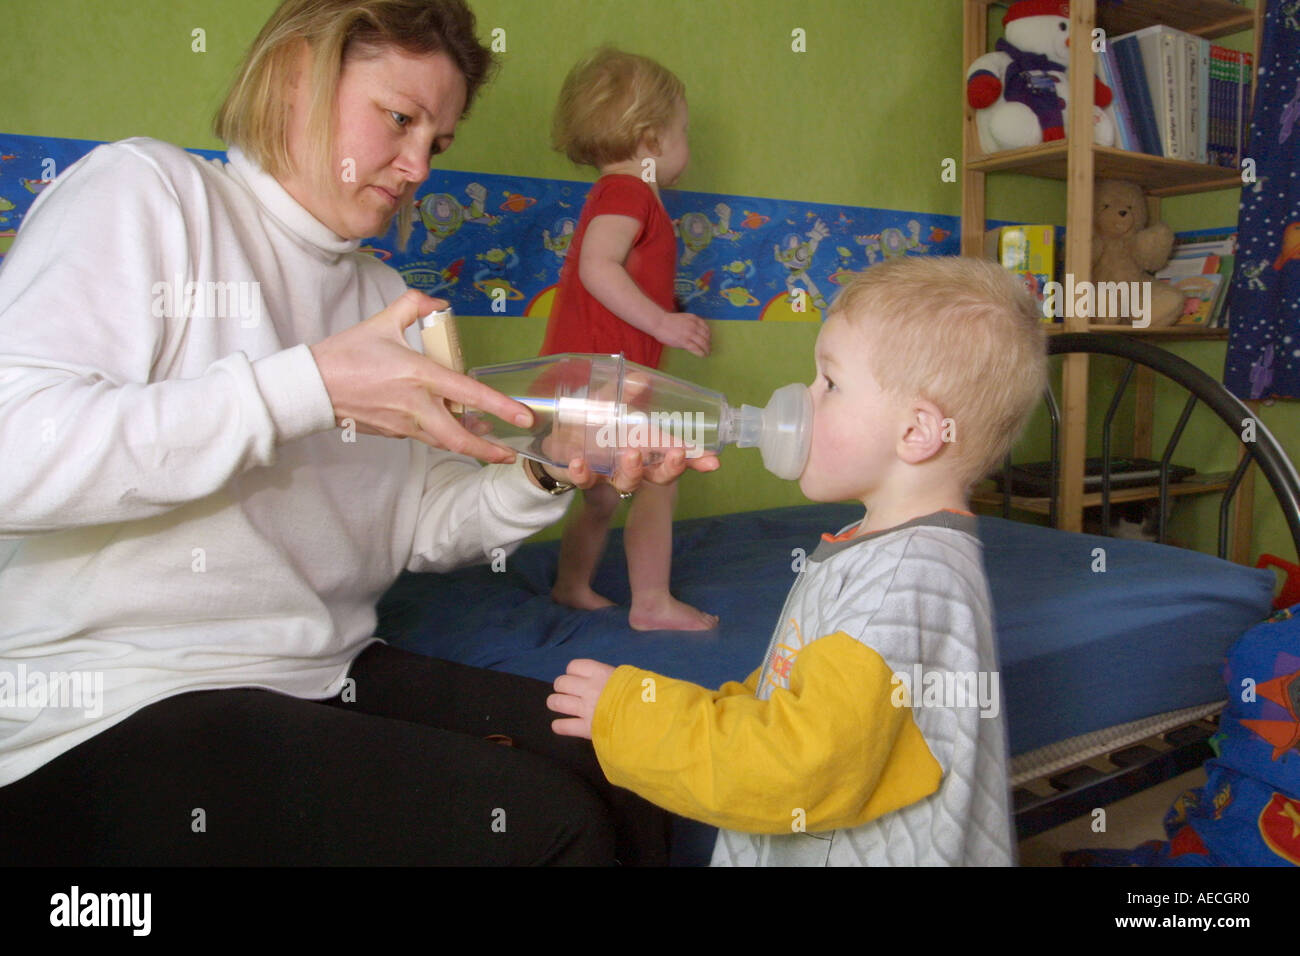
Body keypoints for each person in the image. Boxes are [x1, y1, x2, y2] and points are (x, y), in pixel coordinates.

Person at [0, 0, 715, 866]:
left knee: (636, 768)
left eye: (437, 142)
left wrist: (546, 467)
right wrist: (308, 388)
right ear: (298, 74)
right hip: (118, 700)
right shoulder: (150, 195)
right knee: (548, 829)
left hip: (325, 673)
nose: (417, 165)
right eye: (401, 118)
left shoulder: (385, 298)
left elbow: (412, 529)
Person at [549, 256, 1049, 866]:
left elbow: (797, 769)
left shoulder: (900, 584)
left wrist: (633, 718)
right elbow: (785, 694)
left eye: (830, 384)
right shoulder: (880, 546)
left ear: (917, 432)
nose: (801, 400)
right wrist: (691, 709)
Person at [539, 47, 717, 632]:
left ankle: (571, 583)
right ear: (650, 139)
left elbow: (621, 277)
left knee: (602, 492)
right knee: (660, 474)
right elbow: (598, 268)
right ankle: (651, 603)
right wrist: (664, 323)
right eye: (683, 133)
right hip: (596, 376)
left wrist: (665, 313)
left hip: (600, 376)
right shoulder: (629, 192)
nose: (687, 147)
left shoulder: (624, 197)